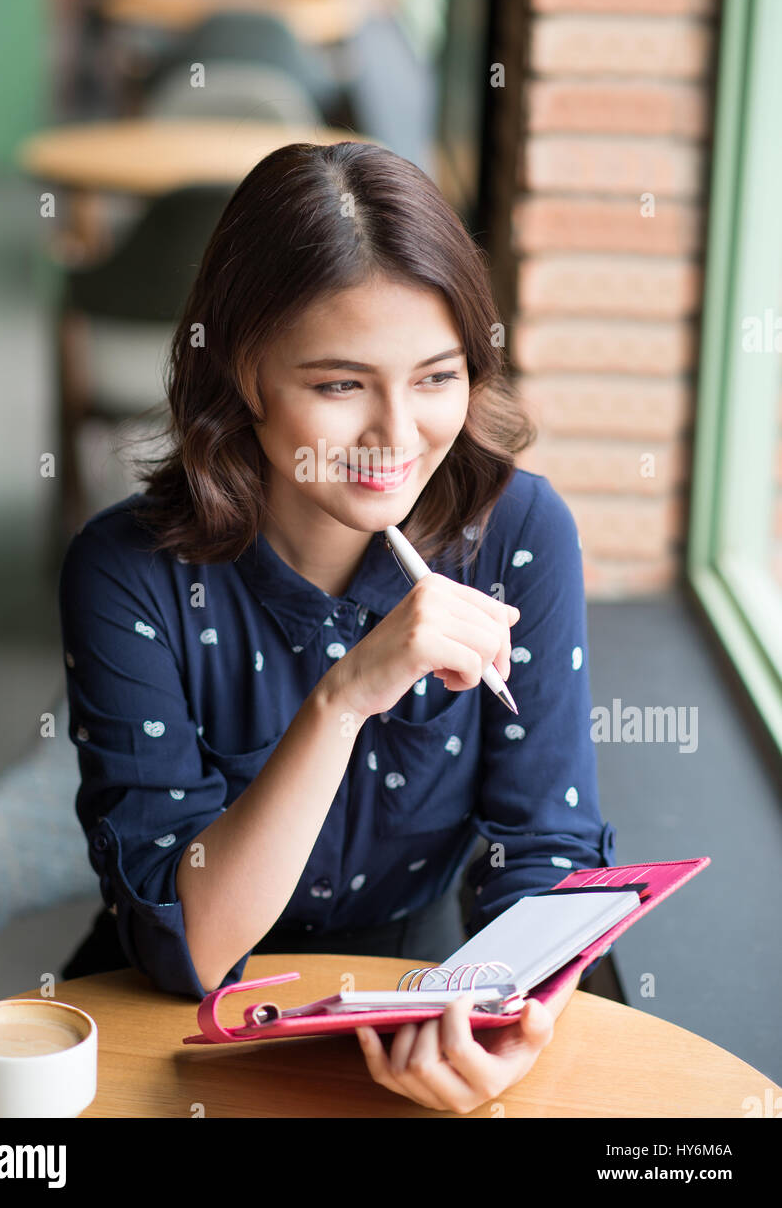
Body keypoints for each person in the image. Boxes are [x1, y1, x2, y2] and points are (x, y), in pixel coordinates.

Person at [58, 141, 617, 1113]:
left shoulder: (520, 532)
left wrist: (515, 1018)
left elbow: (546, 851)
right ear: (243, 371)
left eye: (436, 378)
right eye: (338, 385)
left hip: (419, 997)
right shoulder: (129, 573)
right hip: (174, 1026)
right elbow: (193, 946)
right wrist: (347, 695)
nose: (397, 437)